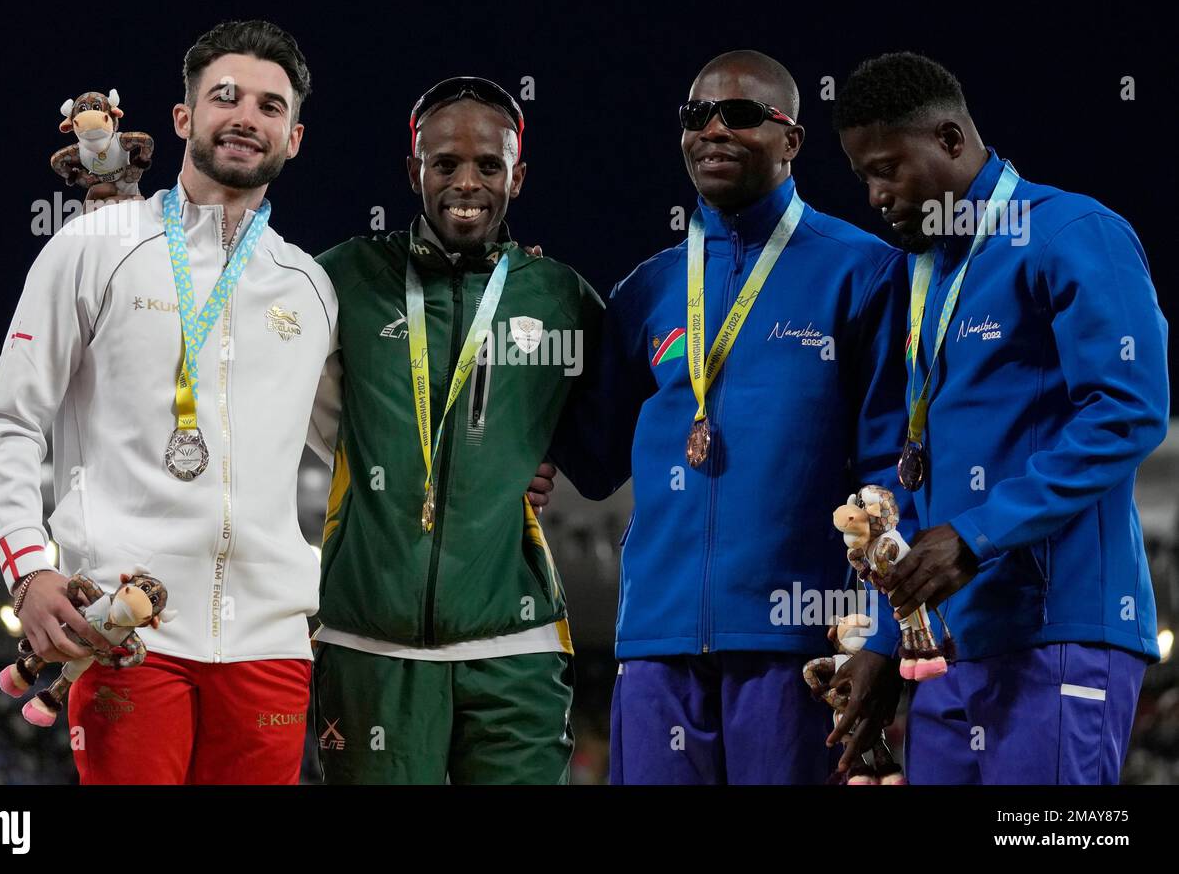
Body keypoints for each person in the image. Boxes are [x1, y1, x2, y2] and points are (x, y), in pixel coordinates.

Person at [0, 19, 338, 783]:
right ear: (184, 119)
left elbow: (360, 452)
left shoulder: (311, 287)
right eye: (225, 97)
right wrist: (31, 569)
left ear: (295, 137)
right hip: (128, 629)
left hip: (271, 643)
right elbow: (11, 423)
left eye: (270, 107)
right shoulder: (94, 246)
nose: (246, 117)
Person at [550, 51, 910, 783]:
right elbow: (590, 465)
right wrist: (529, 331)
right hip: (656, 644)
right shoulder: (647, 290)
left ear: (792, 141)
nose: (713, 129)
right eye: (696, 116)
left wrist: (878, 633)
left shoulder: (863, 272)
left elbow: (888, 473)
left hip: (800, 644)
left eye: (740, 115)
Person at [835, 51, 1168, 784]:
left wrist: (978, 535)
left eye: (889, 167)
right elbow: (915, 467)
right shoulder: (924, 275)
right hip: (951, 649)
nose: (876, 194)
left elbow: (1128, 409)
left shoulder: (1071, 231)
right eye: (864, 175)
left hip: (1061, 633)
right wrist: (889, 642)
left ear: (951, 140)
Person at [310, 77, 603, 784]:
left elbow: (612, 435)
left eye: (488, 166)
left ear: (518, 176)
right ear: (414, 171)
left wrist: (527, 460)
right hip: (368, 640)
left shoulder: (561, 296)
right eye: (444, 164)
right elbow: (286, 406)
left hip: (517, 641)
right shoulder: (344, 277)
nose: (466, 182)